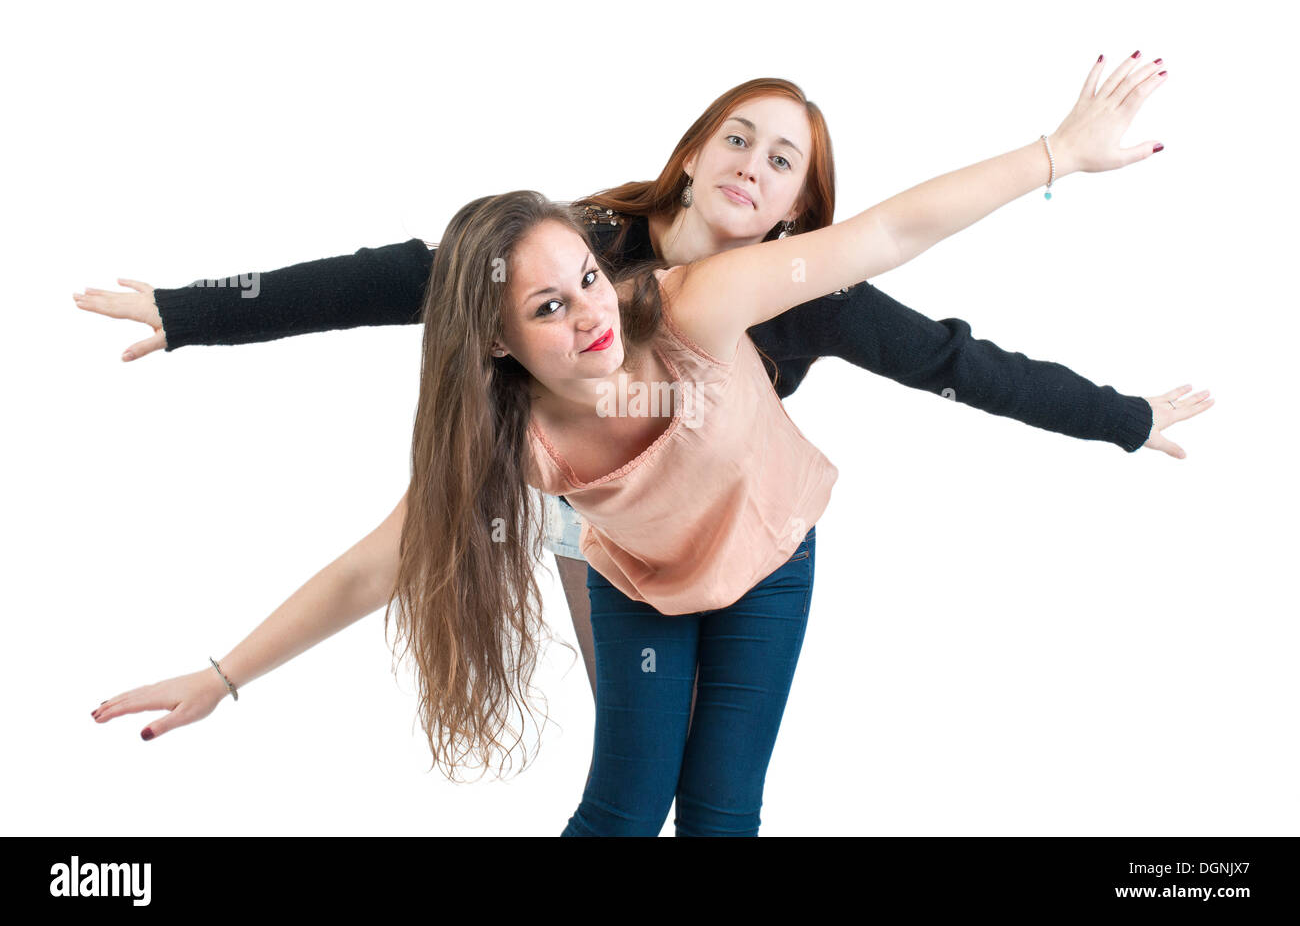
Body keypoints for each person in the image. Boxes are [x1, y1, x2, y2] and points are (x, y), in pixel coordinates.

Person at [90, 59, 1213, 834]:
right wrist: (197, 308)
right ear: (689, 151)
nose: (579, 307)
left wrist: (1120, 404)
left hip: (758, 539)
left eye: (785, 162)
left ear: (794, 217)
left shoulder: (737, 296)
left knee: (720, 802)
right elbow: (397, 288)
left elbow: (942, 326)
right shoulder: (563, 253)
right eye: (739, 136)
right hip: (621, 540)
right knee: (631, 792)